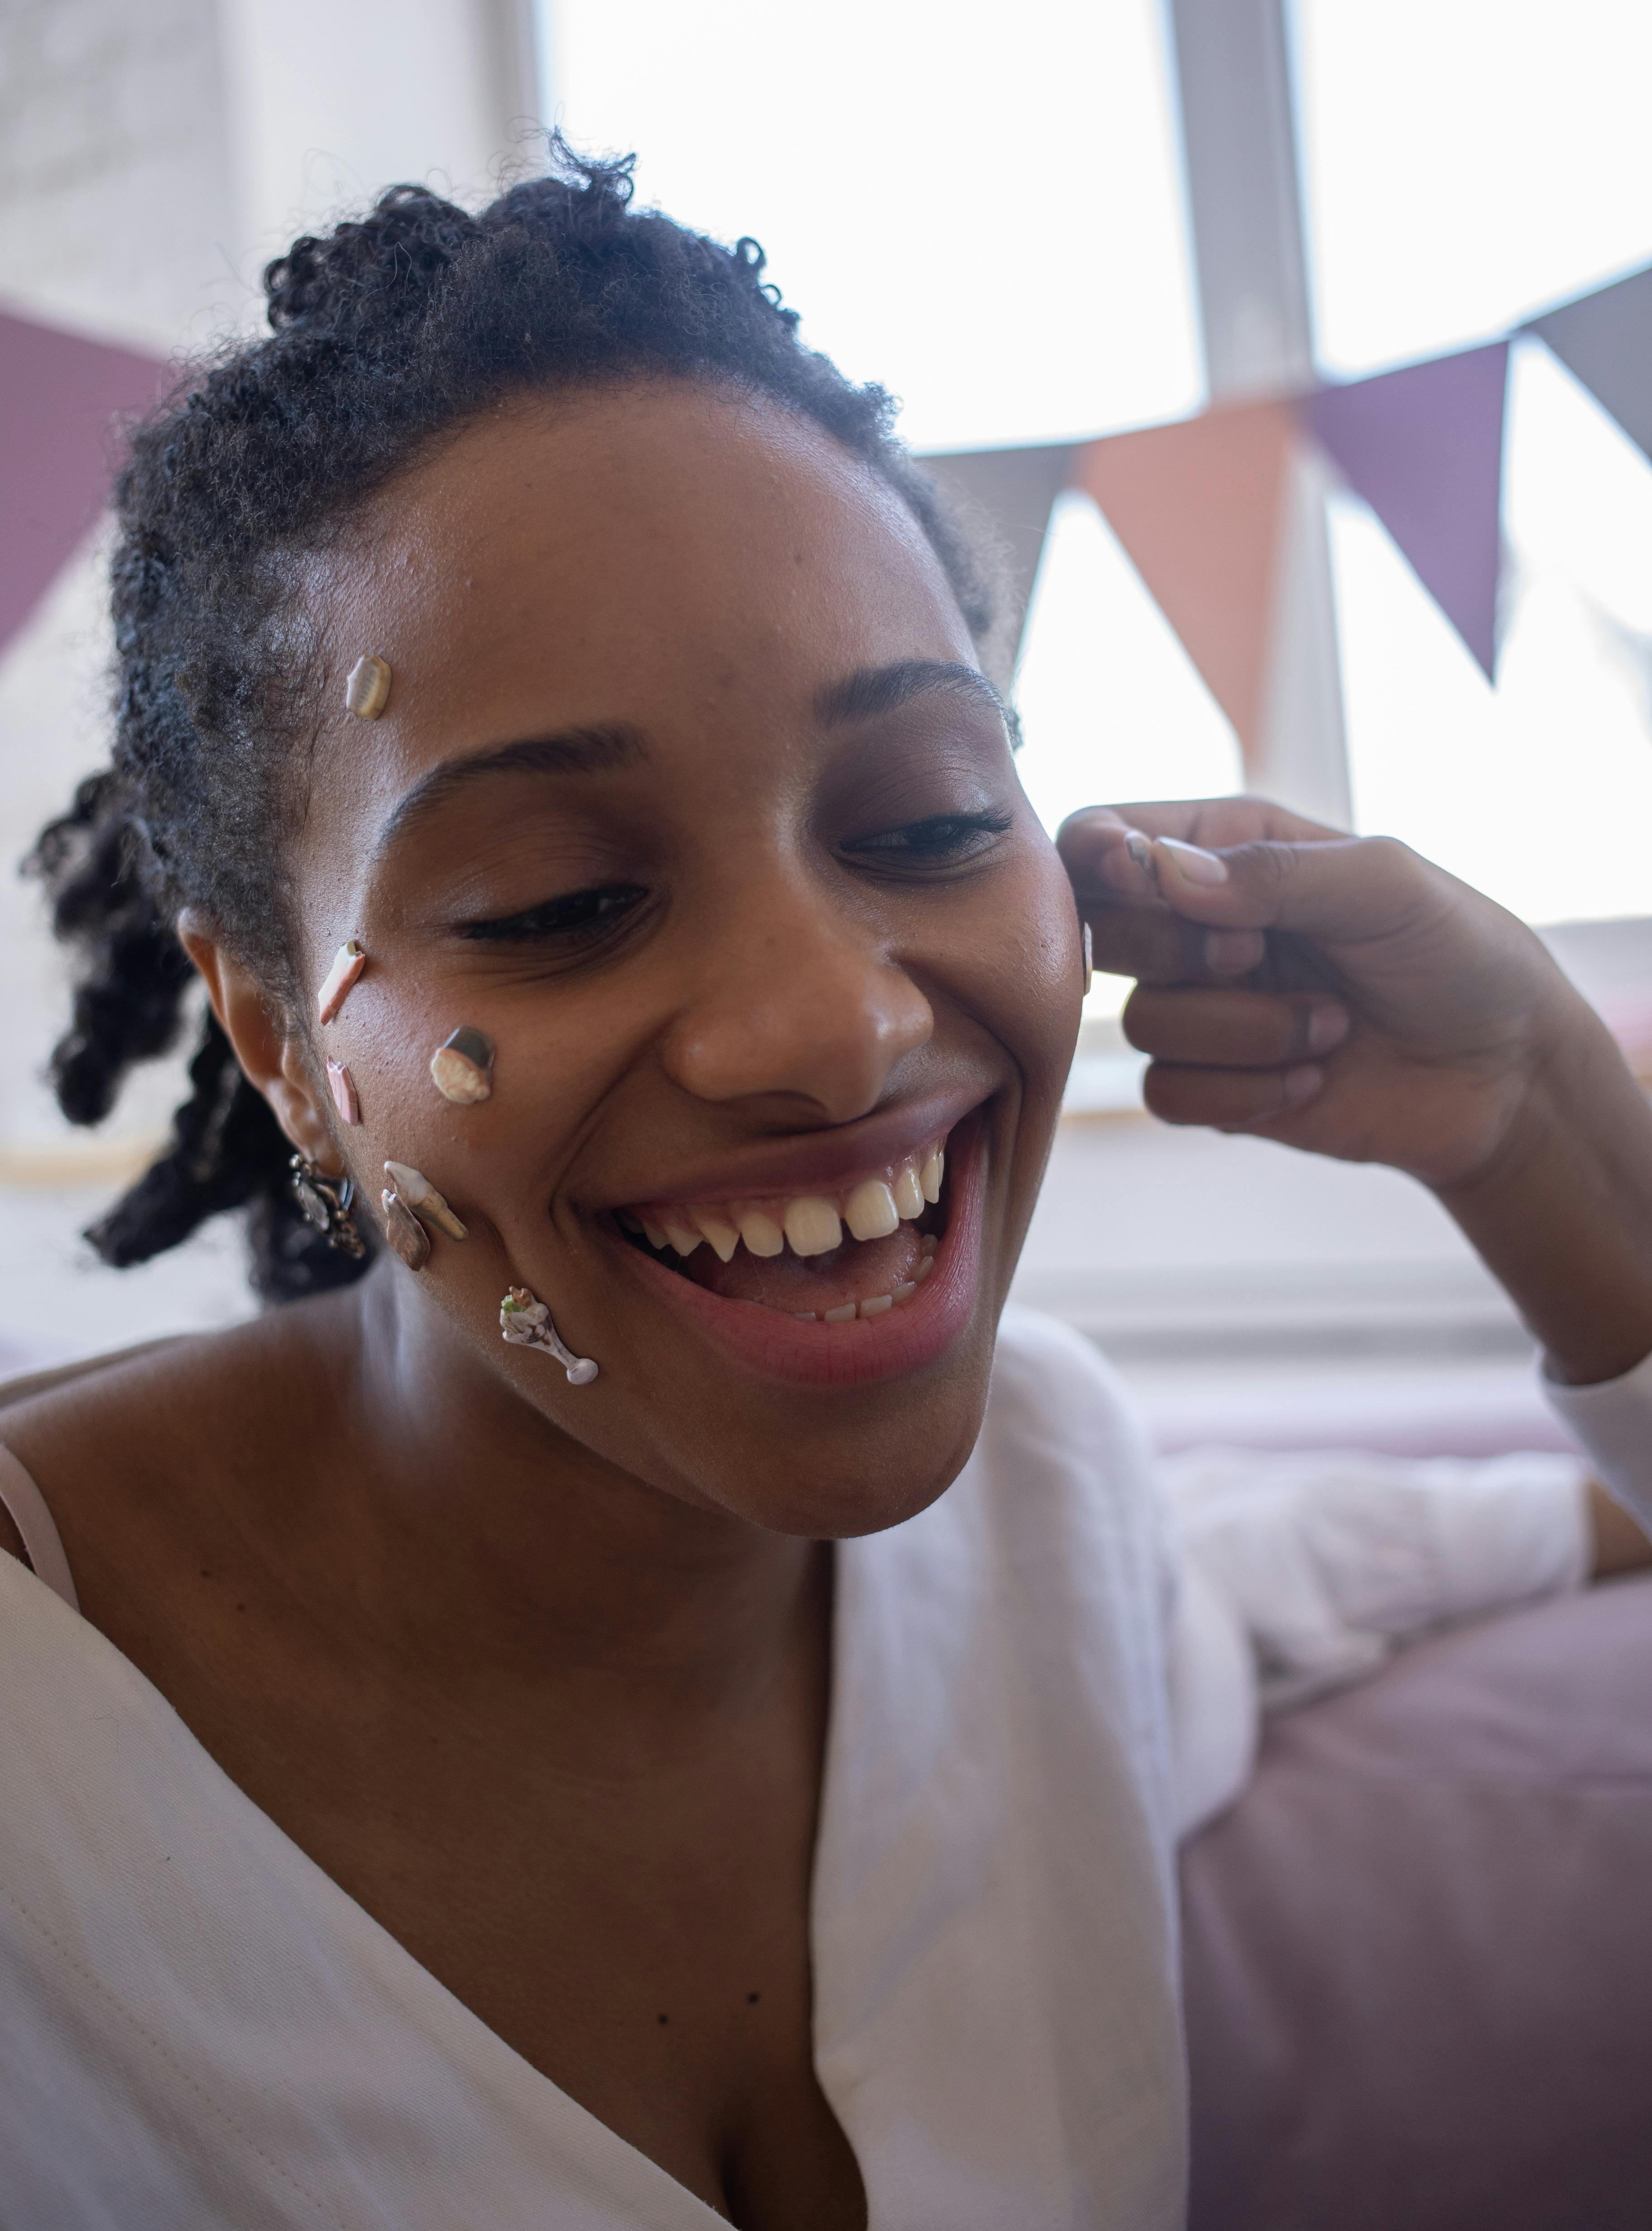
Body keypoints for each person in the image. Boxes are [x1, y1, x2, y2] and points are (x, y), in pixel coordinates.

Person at [1, 147, 1648, 2230]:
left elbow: (1342, 1551)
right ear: (273, 1040)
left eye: (932, 819)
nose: (833, 1028)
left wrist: (1540, 1120)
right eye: (565, 898)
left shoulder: (1056, 1502)